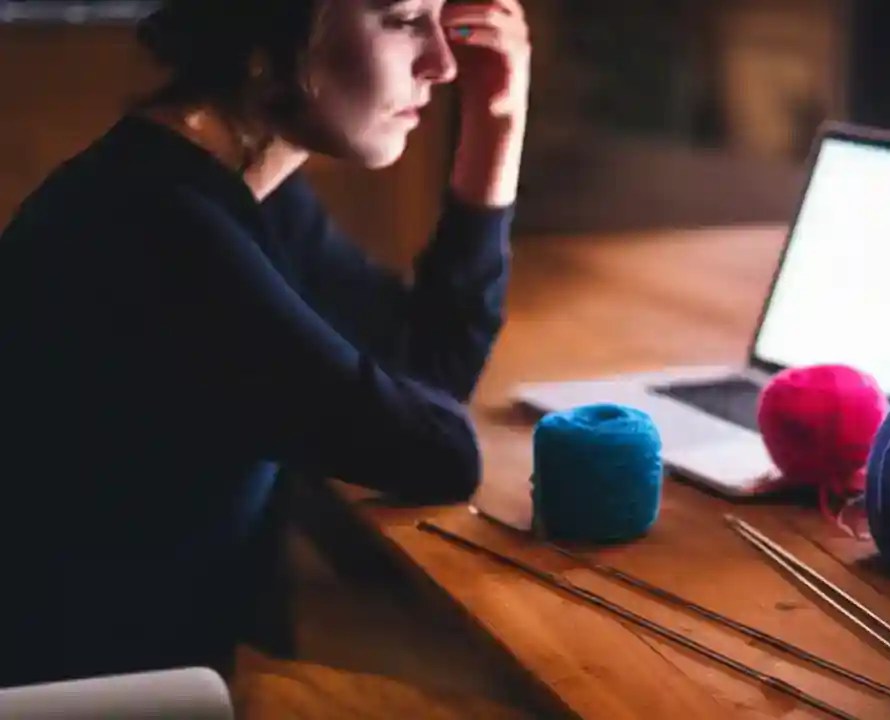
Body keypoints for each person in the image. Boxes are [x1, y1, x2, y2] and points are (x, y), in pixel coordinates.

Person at [0, 0, 529, 687]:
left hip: (181, 679)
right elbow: (432, 453)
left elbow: (428, 366)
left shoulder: (239, 189)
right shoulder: (157, 229)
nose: (443, 62)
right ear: (264, 33)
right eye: (402, 19)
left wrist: (497, 122)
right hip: (103, 700)